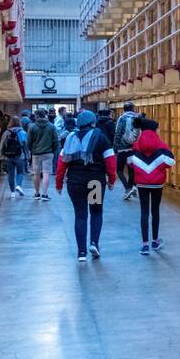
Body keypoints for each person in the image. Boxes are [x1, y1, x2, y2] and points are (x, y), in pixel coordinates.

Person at [55, 109, 117, 262]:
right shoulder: (101, 138)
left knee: (80, 215)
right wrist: (111, 179)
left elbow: (62, 163)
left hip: (75, 183)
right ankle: (94, 243)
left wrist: (59, 183)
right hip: (94, 182)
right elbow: (110, 162)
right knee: (96, 212)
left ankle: (81, 252)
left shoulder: (70, 138)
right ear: (92, 122)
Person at [126, 117, 173, 255]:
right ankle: (155, 241)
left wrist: (143, 168)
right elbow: (170, 162)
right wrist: (158, 166)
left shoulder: (136, 146)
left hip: (142, 183)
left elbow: (130, 162)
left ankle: (145, 245)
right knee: (155, 211)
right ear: (154, 129)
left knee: (144, 212)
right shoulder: (161, 145)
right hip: (157, 183)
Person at [27, 108, 58, 202]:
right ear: (45, 115)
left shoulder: (32, 127)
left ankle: (37, 194)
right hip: (48, 153)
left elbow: (29, 142)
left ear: (36, 115)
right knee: (46, 173)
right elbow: (55, 141)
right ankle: (45, 194)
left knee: (36, 174)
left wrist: (32, 150)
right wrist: (53, 151)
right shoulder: (51, 126)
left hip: (36, 153)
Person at [113, 102, 141, 202]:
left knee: (119, 170)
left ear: (124, 109)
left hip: (122, 148)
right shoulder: (137, 118)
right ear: (133, 108)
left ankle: (127, 188)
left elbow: (118, 133)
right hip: (133, 149)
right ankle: (131, 187)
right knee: (131, 170)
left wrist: (115, 148)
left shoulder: (122, 118)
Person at [0, 118, 26, 199]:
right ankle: (18, 185)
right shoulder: (22, 132)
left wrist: (1, 155)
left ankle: (12, 192)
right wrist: (28, 155)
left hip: (9, 156)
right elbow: (25, 144)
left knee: (11, 174)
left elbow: (2, 145)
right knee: (20, 172)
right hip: (20, 156)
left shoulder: (6, 133)